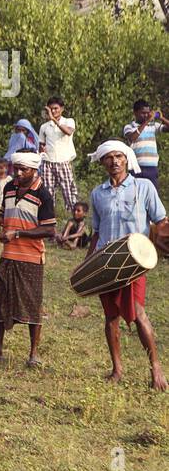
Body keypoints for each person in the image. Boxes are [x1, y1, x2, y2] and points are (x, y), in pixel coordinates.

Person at [86, 140, 167, 390]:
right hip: (106, 261)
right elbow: (97, 232)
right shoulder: (98, 193)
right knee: (111, 316)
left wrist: (157, 247)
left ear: (127, 159)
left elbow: (161, 220)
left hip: (134, 262)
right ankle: (117, 369)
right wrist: (88, 263)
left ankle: (156, 369)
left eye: (119, 156)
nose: (114, 161)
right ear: (102, 162)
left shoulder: (143, 187)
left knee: (138, 313)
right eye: (109, 157)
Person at [0, 152, 55, 368]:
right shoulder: (9, 187)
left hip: (31, 257)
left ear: (34, 170)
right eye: (16, 168)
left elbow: (49, 229)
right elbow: (7, 216)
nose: (19, 173)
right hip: (8, 254)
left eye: (24, 169)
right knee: (0, 302)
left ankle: (33, 354)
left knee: (32, 304)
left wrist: (18, 234)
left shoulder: (43, 194)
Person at [38, 96, 79, 215]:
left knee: (69, 192)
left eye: (56, 108)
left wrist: (54, 120)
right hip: (48, 163)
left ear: (62, 109)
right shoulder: (44, 127)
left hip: (63, 162)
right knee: (48, 193)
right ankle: (50, 219)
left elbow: (68, 132)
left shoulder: (68, 121)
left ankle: (75, 218)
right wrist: (41, 152)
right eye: (51, 109)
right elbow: (41, 144)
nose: (53, 111)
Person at [123, 100, 168, 190]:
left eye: (148, 113)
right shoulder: (129, 127)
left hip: (151, 167)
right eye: (143, 113)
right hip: (136, 167)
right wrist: (147, 121)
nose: (146, 115)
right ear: (135, 113)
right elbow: (132, 138)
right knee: (135, 194)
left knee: (152, 194)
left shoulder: (153, 126)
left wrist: (161, 118)